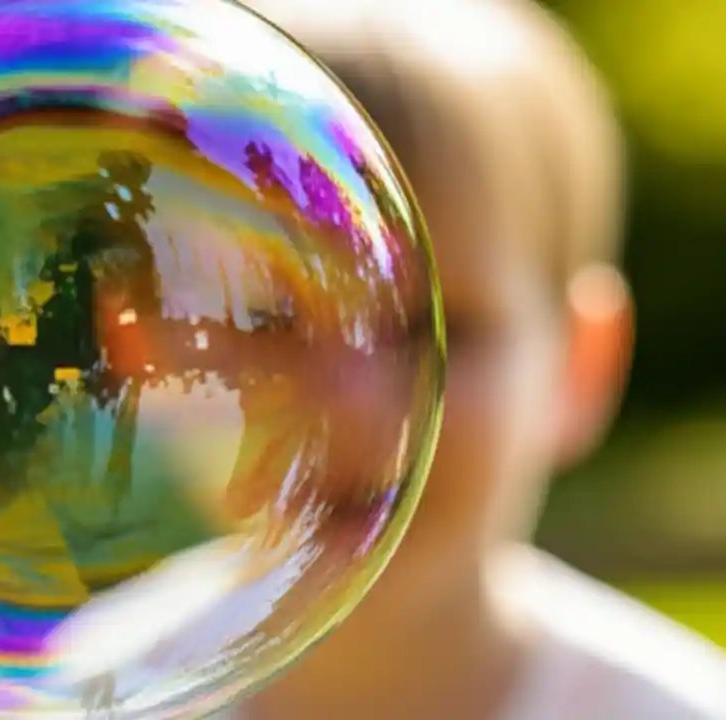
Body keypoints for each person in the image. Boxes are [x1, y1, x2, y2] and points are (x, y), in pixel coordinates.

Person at [225, 0, 726, 718]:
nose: (352, 404)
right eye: (271, 323)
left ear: (579, 364)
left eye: (437, 330)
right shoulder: (99, 690)